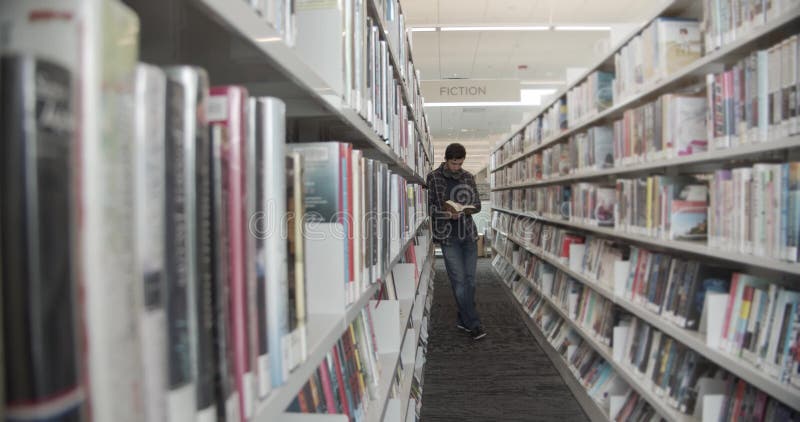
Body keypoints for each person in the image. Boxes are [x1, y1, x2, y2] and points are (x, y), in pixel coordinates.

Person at [426, 143, 486, 340]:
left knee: (470, 282)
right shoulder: (433, 178)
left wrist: (467, 209)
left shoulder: (468, 177)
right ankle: (474, 323)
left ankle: (463, 318)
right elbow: (428, 208)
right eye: (454, 163)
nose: (457, 167)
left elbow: (477, 203)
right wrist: (447, 213)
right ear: (446, 159)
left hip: (468, 235)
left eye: (460, 163)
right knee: (459, 282)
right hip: (448, 236)